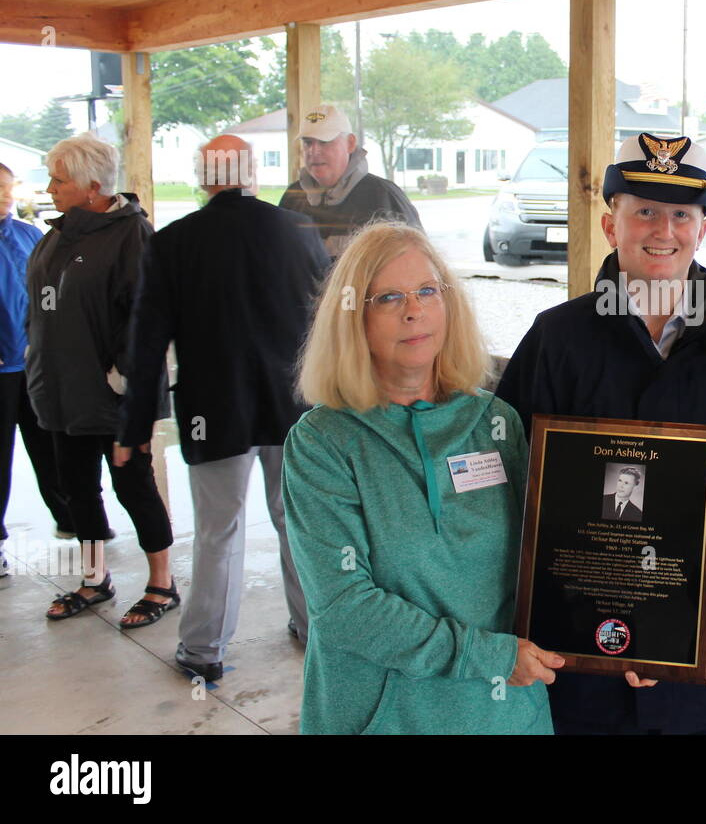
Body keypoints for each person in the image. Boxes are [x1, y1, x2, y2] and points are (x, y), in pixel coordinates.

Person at [495, 132, 706, 735]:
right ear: (612, 227)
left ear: (702, 230)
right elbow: (509, 481)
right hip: (577, 634)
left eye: (681, 214)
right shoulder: (558, 337)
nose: (663, 230)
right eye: (644, 211)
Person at [282, 223, 561, 734]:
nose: (413, 310)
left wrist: (630, 632)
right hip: (386, 717)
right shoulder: (322, 442)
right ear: (352, 319)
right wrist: (488, 656)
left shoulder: (496, 423)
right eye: (387, 297)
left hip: (505, 714)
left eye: (427, 291)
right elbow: (343, 607)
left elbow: (548, 562)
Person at [116, 136, 330, 681]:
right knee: (296, 521)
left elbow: (148, 343)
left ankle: (203, 651)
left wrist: (135, 425)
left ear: (203, 177)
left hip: (215, 409)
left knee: (218, 530)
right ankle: (312, 630)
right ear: (251, 173)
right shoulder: (297, 233)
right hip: (296, 407)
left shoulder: (174, 242)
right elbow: (329, 323)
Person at [27, 133, 179, 627]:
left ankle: (163, 584)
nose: (49, 188)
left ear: (92, 186)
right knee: (77, 489)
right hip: (59, 393)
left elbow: (147, 319)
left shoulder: (132, 235)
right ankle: (96, 579)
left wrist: (129, 393)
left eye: (59, 179)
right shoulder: (58, 235)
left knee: (133, 487)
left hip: (112, 400)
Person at [0, 163, 80, 575]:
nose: (5, 197)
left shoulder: (32, 236)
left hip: (32, 362)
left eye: (7, 188)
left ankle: (70, 519)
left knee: (48, 446)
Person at [278, 105, 422, 258]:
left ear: (350, 143)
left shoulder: (384, 196)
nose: (314, 151)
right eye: (308, 143)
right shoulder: (292, 198)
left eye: (324, 142)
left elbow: (417, 260)